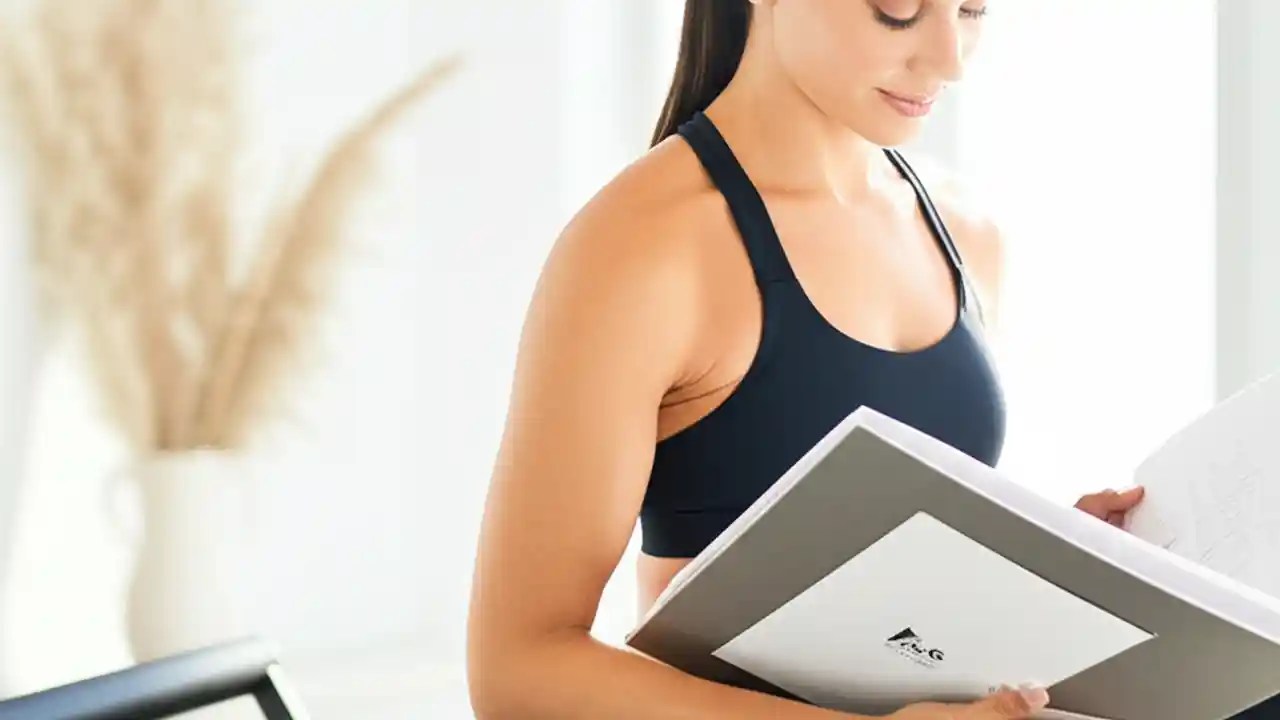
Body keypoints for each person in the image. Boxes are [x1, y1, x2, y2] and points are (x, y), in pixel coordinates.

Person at [466, 1, 1147, 718]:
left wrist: (1052, 566)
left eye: (971, 7)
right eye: (897, 10)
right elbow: (518, 673)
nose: (950, 59)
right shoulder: (644, 248)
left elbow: (903, 602)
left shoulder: (964, 232)